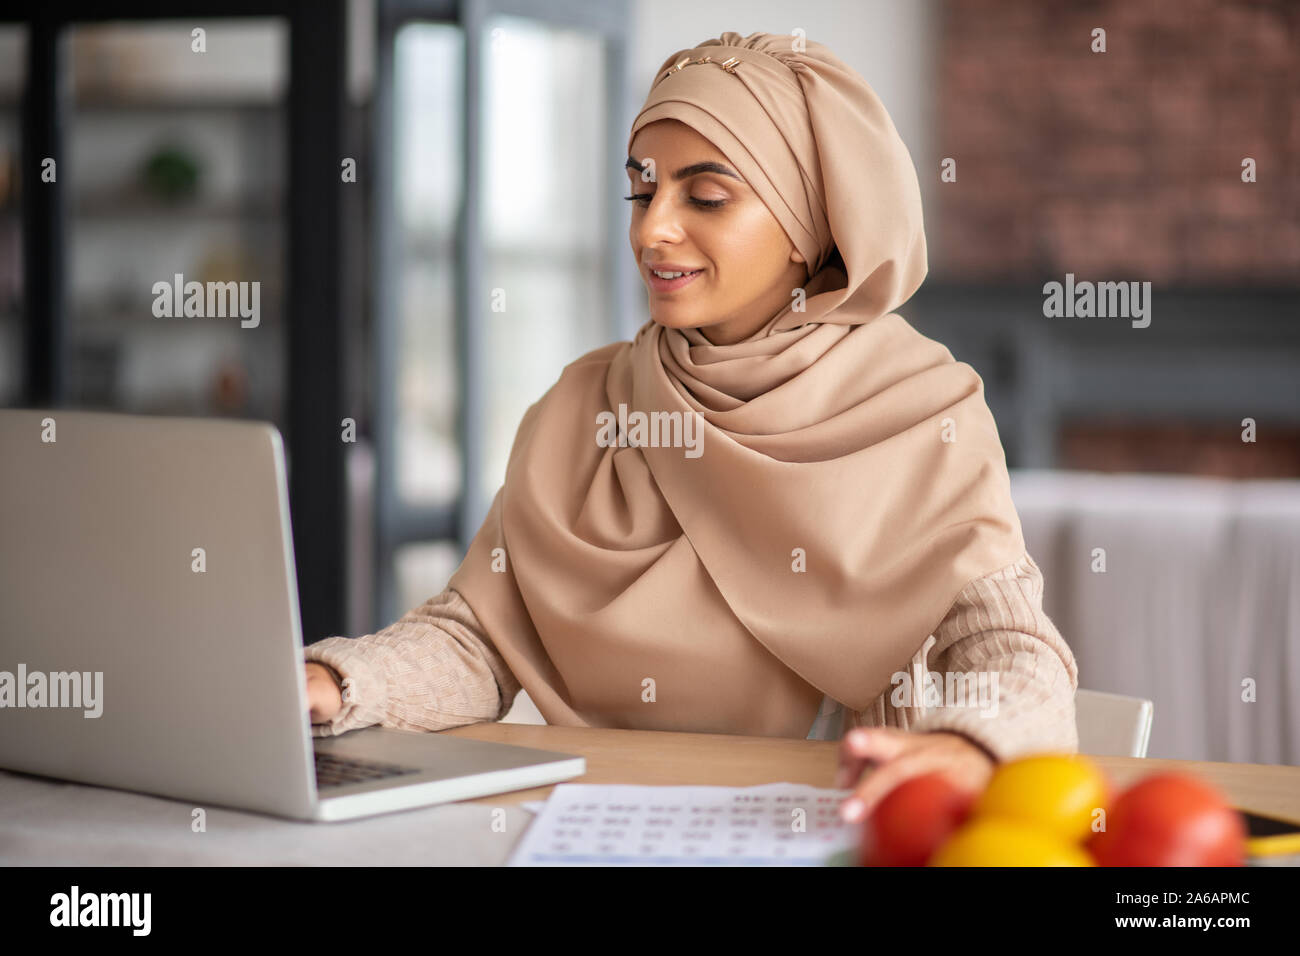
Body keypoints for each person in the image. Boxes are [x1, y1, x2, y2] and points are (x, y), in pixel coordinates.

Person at [303, 30, 1078, 822]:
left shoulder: (919, 411)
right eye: (642, 192)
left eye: (705, 197)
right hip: (603, 833)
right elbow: (480, 638)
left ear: (808, 219)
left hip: (834, 832)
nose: (651, 231)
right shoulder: (586, 406)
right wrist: (336, 684)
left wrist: (974, 743)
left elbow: (1013, 654)